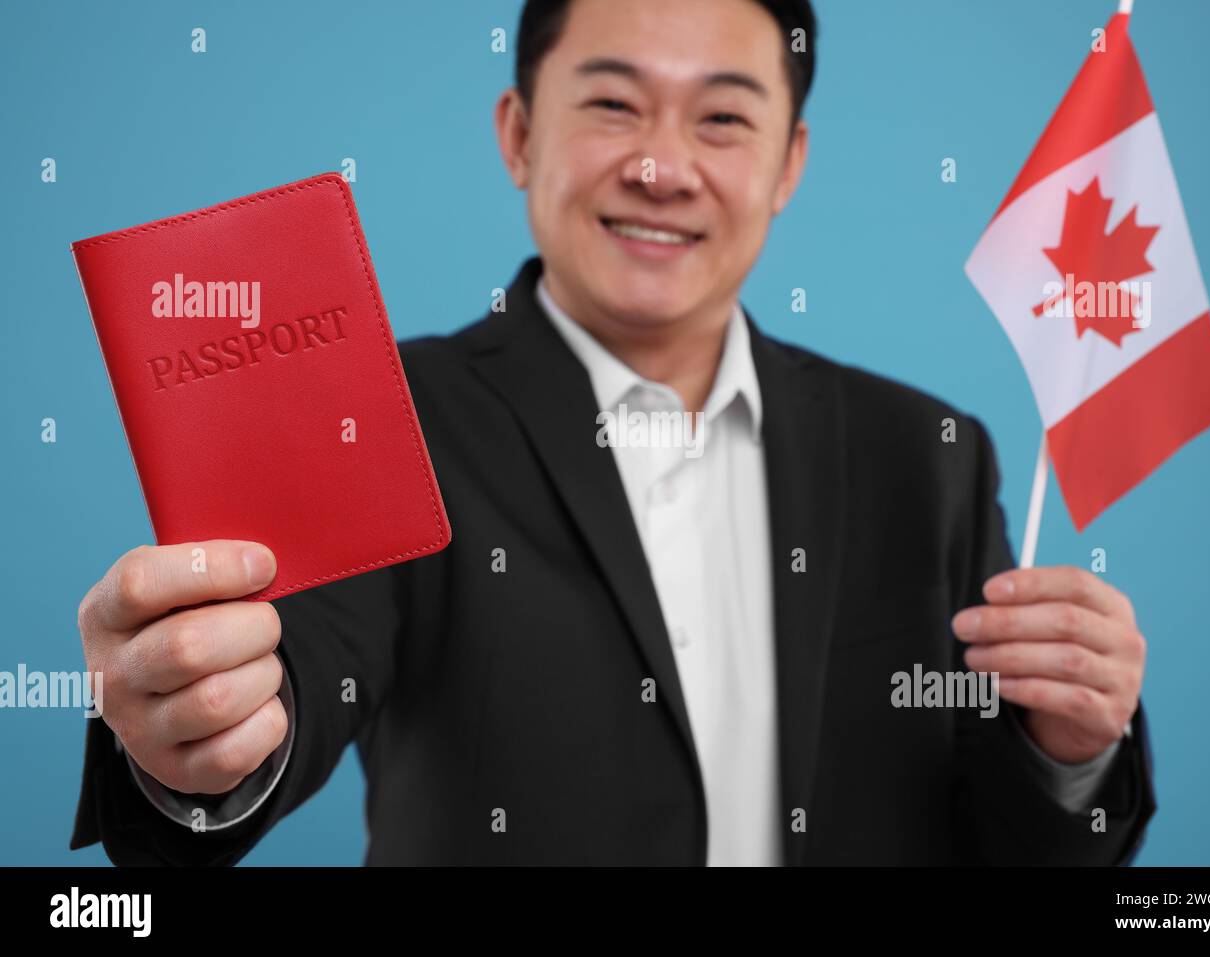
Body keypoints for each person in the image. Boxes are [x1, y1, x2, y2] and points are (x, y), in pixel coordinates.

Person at [71, 0, 1155, 866]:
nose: (661, 166)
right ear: (518, 134)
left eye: (723, 118)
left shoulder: (927, 452)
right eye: (612, 106)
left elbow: (1011, 849)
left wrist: (1065, 758)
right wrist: (195, 740)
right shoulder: (383, 411)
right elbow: (289, 686)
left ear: (788, 164)